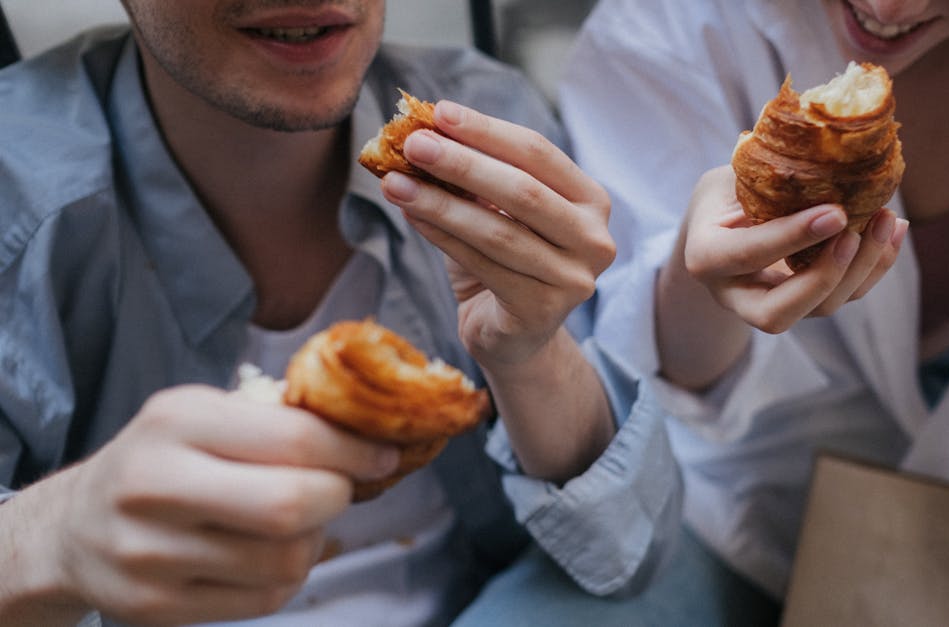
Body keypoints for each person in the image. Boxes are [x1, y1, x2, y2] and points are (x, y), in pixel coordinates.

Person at [0, 1, 682, 625]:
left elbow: (628, 555)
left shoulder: (485, 120)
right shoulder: (16, 188)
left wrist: (530, 352)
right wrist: (55, 536)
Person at [558, 0, 949, 625]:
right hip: (721, 484)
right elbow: (670, 373)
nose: (892, 7)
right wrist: (702, 274)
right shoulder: (664, 25)